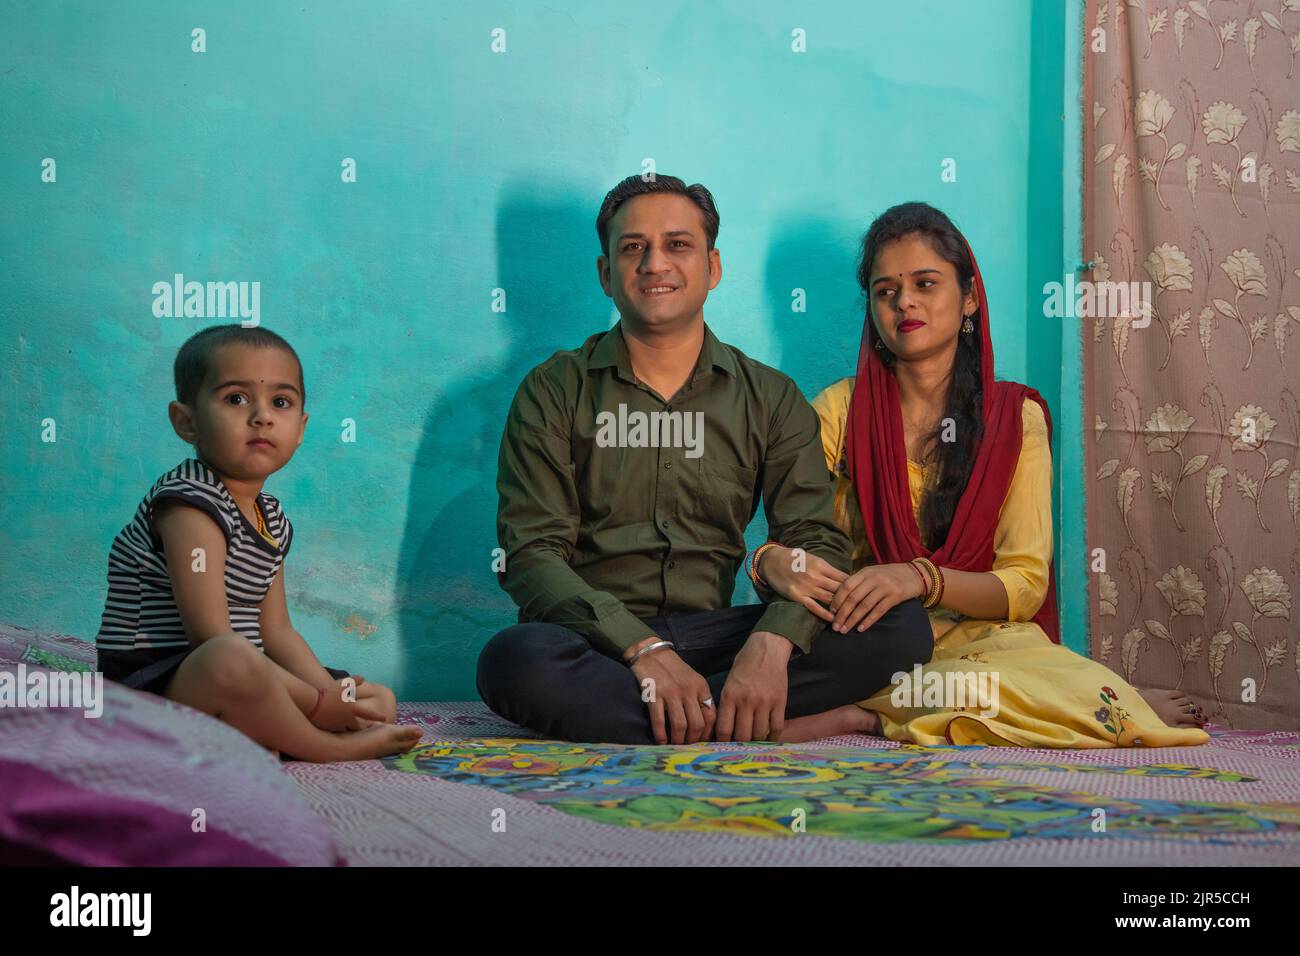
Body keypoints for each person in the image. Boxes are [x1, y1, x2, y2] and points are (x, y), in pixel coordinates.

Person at [477, 175, 933, 745]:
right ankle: (750, 722)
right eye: (632, 247)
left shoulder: (770, 397)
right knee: (514, 661)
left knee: (901, 628)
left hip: (717, 638)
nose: (654, 263)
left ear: (712, 268)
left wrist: (771, 647)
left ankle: (698, 711)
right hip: (598, 643)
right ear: (605, 275)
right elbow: (530, 555)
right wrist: (641, 648)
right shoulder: (553, 391)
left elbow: (813, 541)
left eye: (677, 244)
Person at [756, 201, 1210, 747]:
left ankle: (864, 716)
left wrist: (921, 578)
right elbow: (794, 541)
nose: (905, 302)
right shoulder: (835, 411)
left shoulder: (1015, 418)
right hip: (871, 634)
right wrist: (770, 561)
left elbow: (1023, 583)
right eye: (886, 291)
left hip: (986, 638)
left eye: (926, 283)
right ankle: (1092, 698)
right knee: (1037, 690)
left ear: (969, 296)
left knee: (1017, 679)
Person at [94, 325, 422, 761]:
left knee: (374, 698)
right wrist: (317, 707)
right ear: (186, 421)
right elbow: (209, 635)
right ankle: (322, 747)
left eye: (280, 402)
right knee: (230, 659)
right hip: (154, 687)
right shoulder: (189, 502)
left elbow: (277, 632)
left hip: (240, 678)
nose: (262, 416)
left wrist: (328, 693)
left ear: (301, 427)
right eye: (235, 399)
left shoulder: (272, 518)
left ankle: (263, 726)